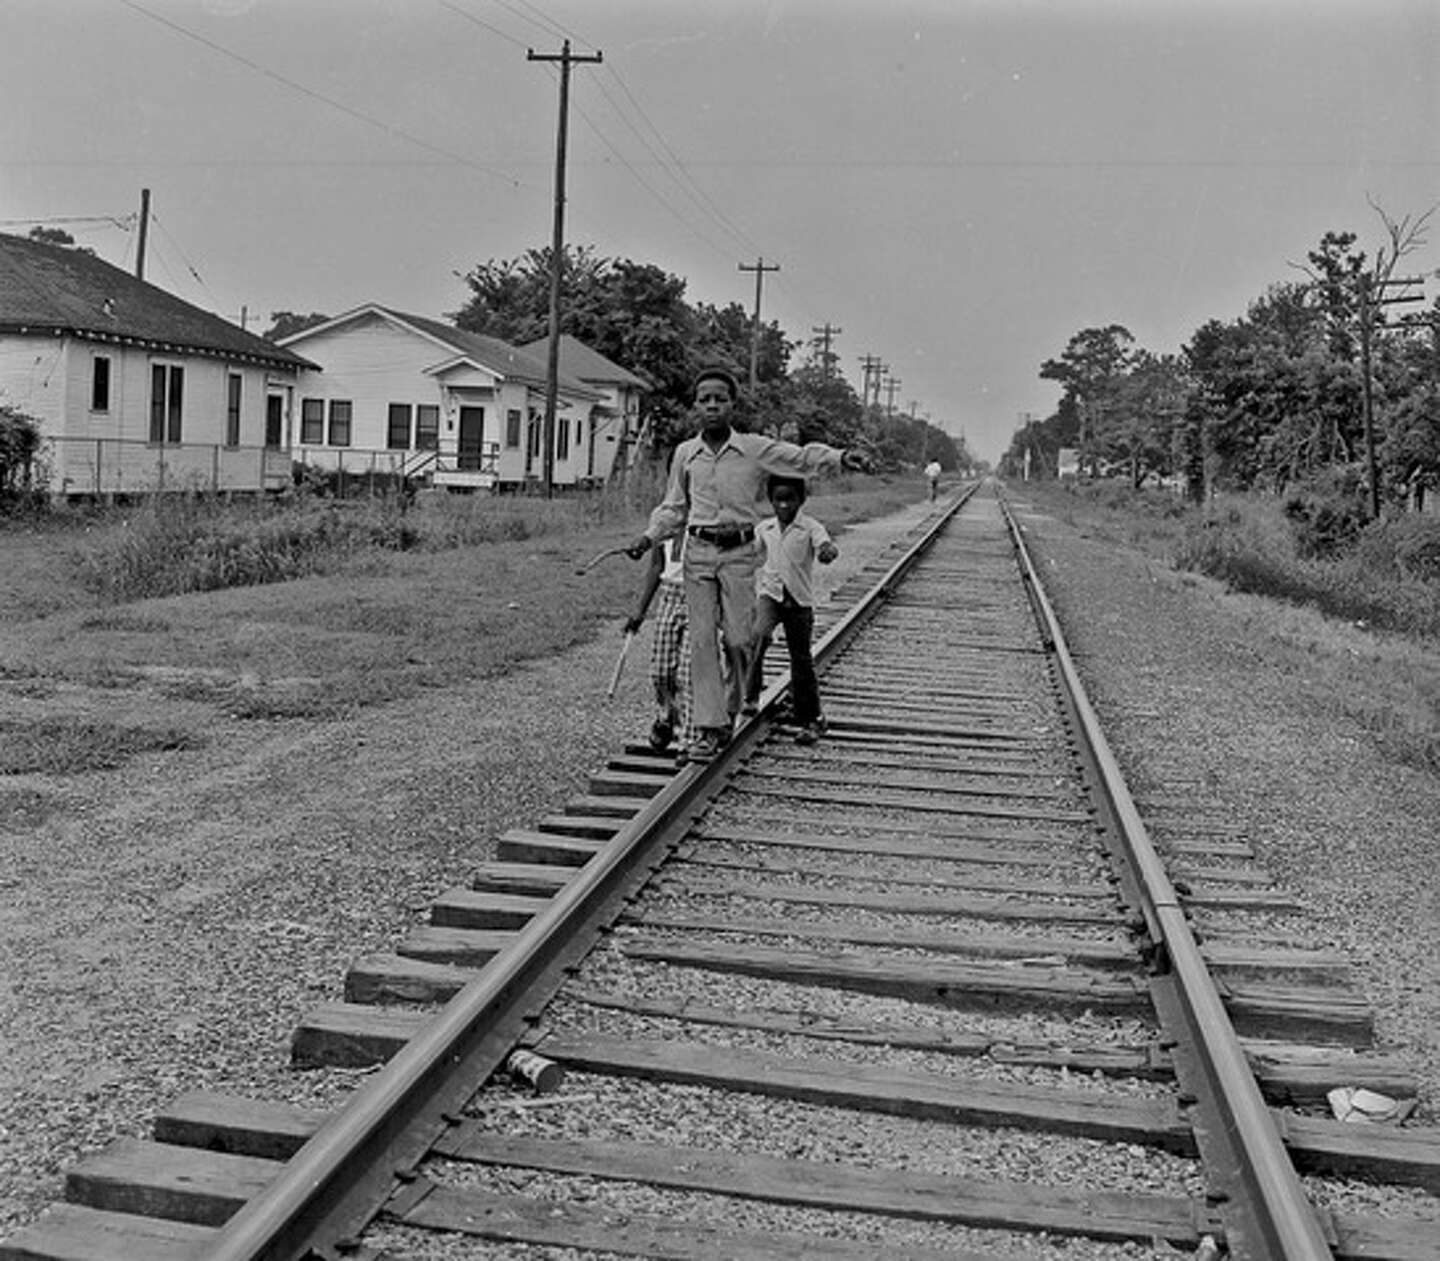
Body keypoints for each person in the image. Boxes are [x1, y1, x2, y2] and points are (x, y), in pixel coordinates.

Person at [625, 365, 870, 764]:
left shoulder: (755, 449)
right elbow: (673, 507)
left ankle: (730, 709)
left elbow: (801, 458)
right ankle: (709, 728)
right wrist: (648, 537)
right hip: (699, 556)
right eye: (704, 399)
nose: (712, 405)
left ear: (732, 404)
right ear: (695, 406)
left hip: (740, 555)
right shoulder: (686, 454)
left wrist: (841, 457)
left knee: (740, 641)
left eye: (720, 398)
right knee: (702, 643)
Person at [743, 475, 838, 744]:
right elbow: (752, 552)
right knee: (758, 636)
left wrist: (827, 552)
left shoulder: (810, 527)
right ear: (771, 501)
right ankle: (750, 696)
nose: (784, 505)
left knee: (801, 659)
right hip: (770, 596)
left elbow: (824, 545)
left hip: (798, 601)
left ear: (801, 500)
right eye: (778, 500)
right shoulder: (766, 528)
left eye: (790, 499)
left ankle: (812, 718)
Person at [623, 534, 693, 756]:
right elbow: (656, 565)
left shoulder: (708, 515)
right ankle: (666, 715)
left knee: (688, 673)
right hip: (669, 596)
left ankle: (689, 738)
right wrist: (640, 610)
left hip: (699, 594)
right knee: (661, 671)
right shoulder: (665, 522)